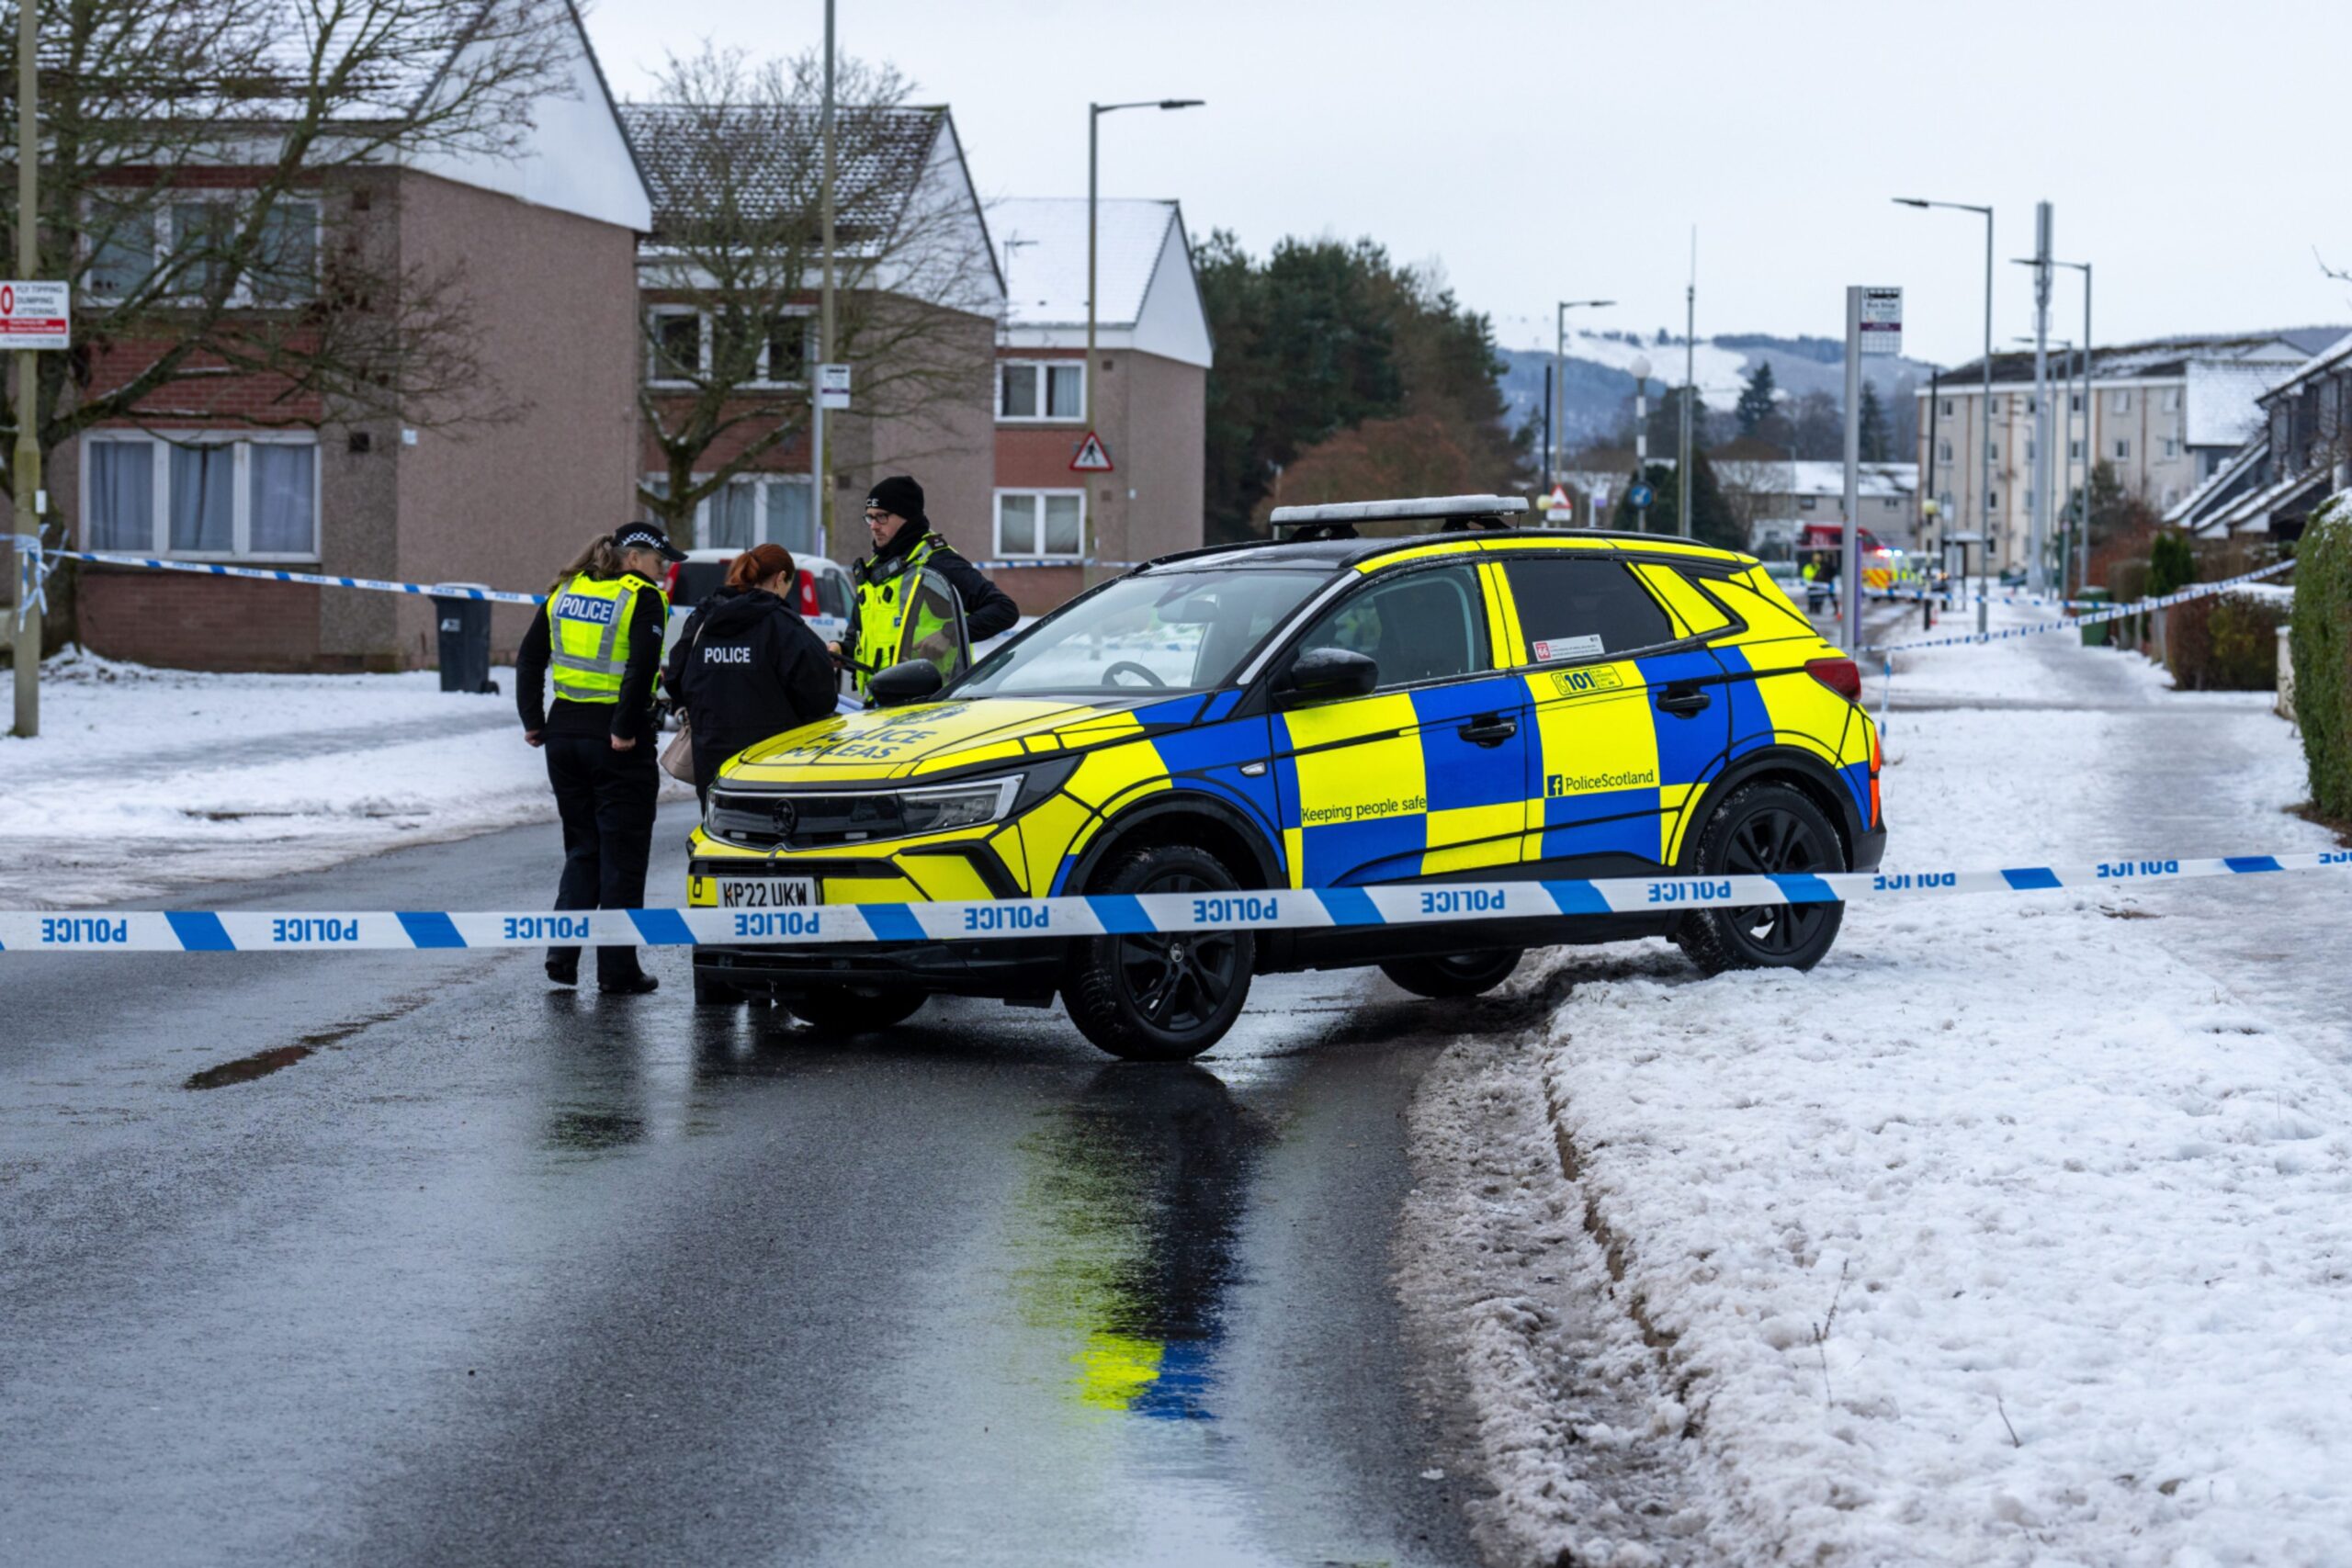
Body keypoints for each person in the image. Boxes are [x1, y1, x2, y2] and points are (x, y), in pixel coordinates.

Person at [516, 522, 685, 995]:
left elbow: (530, 658)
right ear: (634, 559)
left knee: (583, 848)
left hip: (564, 736)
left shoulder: (565, 591)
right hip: (615, 743)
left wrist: (533, 719)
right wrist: (625, 729)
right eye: (659, 561)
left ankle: (562, 956)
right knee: (624, 857)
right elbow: (642, 667)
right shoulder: (641, 596)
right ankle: (617, 970)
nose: (664, 570)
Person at [662, 542, 838, 809]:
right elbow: (821, 697)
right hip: (773, 763)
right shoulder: (784, 626)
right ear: (780, 579)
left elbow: (674, 676)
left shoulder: (703, 619)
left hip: (711, 759)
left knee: (718, 840)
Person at [834, 474, 1017, 698]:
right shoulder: (874, 572)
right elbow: (862, 641)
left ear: (907, 517)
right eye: (869, 518)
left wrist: (949, 634)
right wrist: (841, 650)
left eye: (882, 517)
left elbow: (1004, 609)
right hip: (881, 704)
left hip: (933, 705)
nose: (873, 526)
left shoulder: (938, 562)